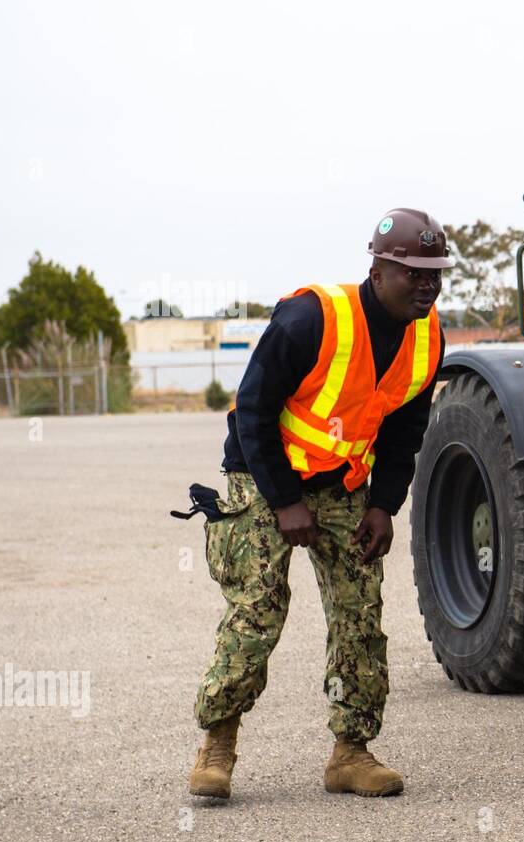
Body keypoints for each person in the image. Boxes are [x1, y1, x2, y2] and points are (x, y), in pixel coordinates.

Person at [186, 209, 452, 799]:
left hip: (342, 485)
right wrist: (284, 501)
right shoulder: (310, 319)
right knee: (260, 608)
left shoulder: (429, 337)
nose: (428, 285)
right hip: (265, 476)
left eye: (436, 273)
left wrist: (384, 505)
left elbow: (406, 432)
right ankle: (218, 744)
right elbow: (251, 412)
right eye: (414, 273)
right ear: (379, 270)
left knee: (359, 612)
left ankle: (351, 753)